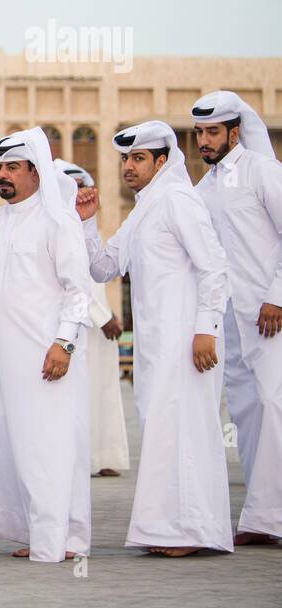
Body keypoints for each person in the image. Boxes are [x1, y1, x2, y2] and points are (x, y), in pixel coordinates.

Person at [76, 120, 232, 556]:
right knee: (163, 433)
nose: (129, 166)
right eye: (125, 158)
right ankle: (166, 529)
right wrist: (88, 225)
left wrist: (206, 329)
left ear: (162, 161)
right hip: (155, 347)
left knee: (186, 434)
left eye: (138, 158)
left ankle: (191, 532)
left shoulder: (180, 199)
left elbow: (214, 268)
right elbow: (103, 268)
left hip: (187, 343)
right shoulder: (144, 208)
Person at [0, 129, 92, 562]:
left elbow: (77, 289)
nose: (2, 176)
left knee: (49, 444)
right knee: (13, 445)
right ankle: (41, 531)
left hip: (45, 355)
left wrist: (64, 342)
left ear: (35, 172)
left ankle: (61, 539)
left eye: (12, 168)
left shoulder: (57, 221)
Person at [191, 90, 282, 545]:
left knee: (274, 405)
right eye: (200, 133)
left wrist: (277, 295)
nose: (205, 141)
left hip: (270, 315)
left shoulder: (263, 172)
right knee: (247, 413)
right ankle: (262, 517)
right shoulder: (202, 188)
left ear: (234, 131)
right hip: (227, 319)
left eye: (213, 132)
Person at [55, 160, 129, 477]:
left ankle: (105, 456)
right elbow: (73, 285)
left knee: (104, 393)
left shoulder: (84, 226)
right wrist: (103, 316)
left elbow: (96, 277)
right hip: (73, 326)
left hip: (99, 327)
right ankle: (82, 458)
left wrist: (107, 315)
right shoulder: (57, 227)